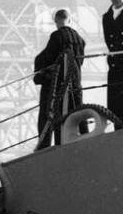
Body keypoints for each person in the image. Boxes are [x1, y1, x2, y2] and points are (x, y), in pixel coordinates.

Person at [34, 8, 86, 148]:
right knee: (75, 116)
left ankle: (46, 149)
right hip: (75, 87)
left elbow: (48, 59)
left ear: (56, 21)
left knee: (50, 118)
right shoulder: (80, 40)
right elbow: (79, 62)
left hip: (56, 89)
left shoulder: (56, 36)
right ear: (69, 20)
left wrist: (38, 75)